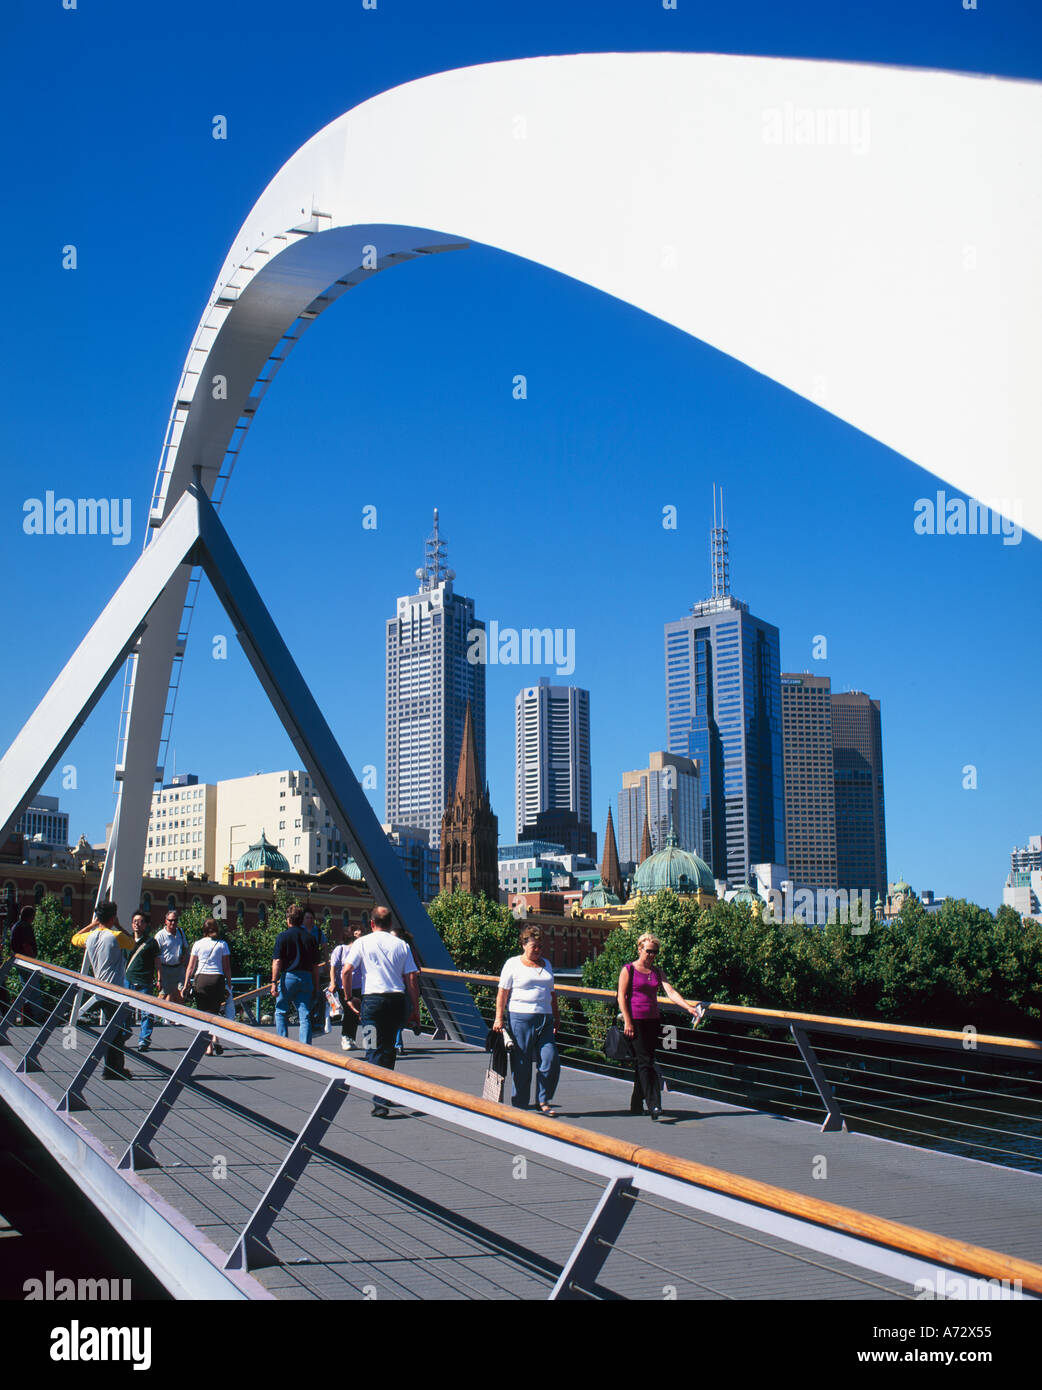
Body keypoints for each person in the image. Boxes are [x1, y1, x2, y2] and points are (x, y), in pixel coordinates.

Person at [341, 906, 419, 1117]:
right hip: (396, 1002)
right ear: (390, 924)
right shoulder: (402, 945)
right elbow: (412, 979)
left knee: (372, 1047)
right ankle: (383, 1095)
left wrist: (348, 998)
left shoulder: (362, 943)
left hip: (371, 1004)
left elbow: (346, 970)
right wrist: (415, 1010)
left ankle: (379, 1100)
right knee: (388, 1049)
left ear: (372, 924)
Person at [617, 933, 705, 1121]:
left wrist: (688, 1008)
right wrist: (627, 1021)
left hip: (653, 1021)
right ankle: (654, 1104)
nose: (652, 955)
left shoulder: (657, 971)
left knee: (644, 1062)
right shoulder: (628, 970)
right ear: (640, 949)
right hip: (636, 1021)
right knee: (646, 1062)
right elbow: (621, 997)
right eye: (648, 951)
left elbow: (670, 992)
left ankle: (635, 1104)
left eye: (655, 952)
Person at [493, 927, 561, 1114]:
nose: (538, 950)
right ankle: (520, 1105)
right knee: (521, 1065)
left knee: (551, 1059)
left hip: (545, 1019)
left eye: (540, 946)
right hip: (520, 1019)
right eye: (534, 946)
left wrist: (556, 1016)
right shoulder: (512, 964)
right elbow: (502, 993)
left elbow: (552, 993)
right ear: (523, 945)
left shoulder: (546, 964)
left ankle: (543, 1100)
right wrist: (499, 1018)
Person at [71, 903, 135, 1080]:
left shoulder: (90, 937)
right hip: (115, 990)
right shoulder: (116, 936)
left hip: (99, 988)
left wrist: (92, 925)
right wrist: (119, 925)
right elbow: (132, 943)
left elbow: (75, 938)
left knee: (112, 1029)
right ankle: (113, 1069)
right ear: (113, 918)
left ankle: (113, 1068)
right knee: (117, 1031)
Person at [271, 904, 320, 1045]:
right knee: (304, 1014)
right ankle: (305, 1047)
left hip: (289, 977)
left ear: (288, 919)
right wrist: (316, 988)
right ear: (301, 920)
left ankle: (283, 1043)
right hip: (306, 977)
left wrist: (274, 982)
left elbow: (277, 961)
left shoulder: (283, 937)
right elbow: (315, 966)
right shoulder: (311, 939)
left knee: (281, 1010)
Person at [184, 917, 233, 1056]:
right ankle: (215, 1038)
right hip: (217, 979)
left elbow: (191, 966)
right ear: (216, 929)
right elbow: (227, 967)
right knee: (215, 1013)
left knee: (203, 1014)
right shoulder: (222, 944)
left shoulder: (197, 944)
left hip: (201, 980)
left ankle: (208, 1047)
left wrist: (187, 983)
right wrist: (229, 984)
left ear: (204, 930)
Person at [125, 911, 160, 1052]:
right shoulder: (127, 940)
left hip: (145, 981)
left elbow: (157, 961)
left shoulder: (151, 942)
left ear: (145, 924)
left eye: (140, 921)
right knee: (126, 1012)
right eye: (134, 921)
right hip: (128, 980)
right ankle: (124, 1033)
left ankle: (144, 1041)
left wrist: (159, 978)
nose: (137, 924)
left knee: (147, 1012)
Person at [329, 923, 366, 1051]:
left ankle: (351, 1038)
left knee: (356, 1013)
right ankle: (345, 1037)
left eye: (361, 931)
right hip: (343, 986)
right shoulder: (341, 949)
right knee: (349, 1012)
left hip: (359, 986)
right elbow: (333, 967)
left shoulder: (362, 950)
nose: (359, 933)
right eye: (356, 931)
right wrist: (333, 982)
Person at [9, 905, 41, 1025]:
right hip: (27, 963)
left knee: (26, 990)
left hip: (19, 962)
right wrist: (34, 961)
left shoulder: (16, 926)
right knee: (34, 990)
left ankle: (28, 1017)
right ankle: (36, 1017)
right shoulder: (25, 927)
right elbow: (26, 945)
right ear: (31, 917)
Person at [155, 909, 189, 1002]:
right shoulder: (160, 936)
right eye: (170, 920)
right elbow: (156, 957)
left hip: (179, 969)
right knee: (163, 996)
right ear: (166, 921)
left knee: (181, 995)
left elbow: (186, 947)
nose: (173, 922)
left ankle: (178, 1015)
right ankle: (152, 1014)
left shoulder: (180, 932)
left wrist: (184, 956)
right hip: (165, 969)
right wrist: (159, 978)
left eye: (175, 920)